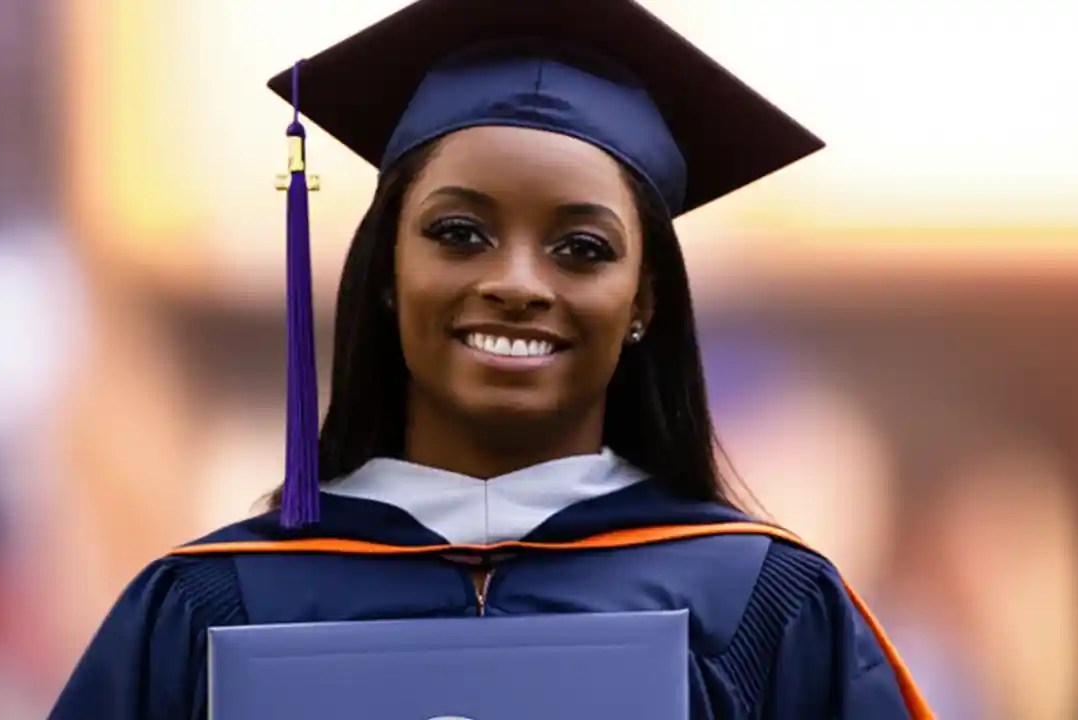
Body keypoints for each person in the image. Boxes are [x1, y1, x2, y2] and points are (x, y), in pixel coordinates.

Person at [49, 0, 933, 717]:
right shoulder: (208, 604)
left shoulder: (765, 605)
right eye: (459, 233)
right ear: (387, 272)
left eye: (582, 248)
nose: (516, 282)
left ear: (644, 300)